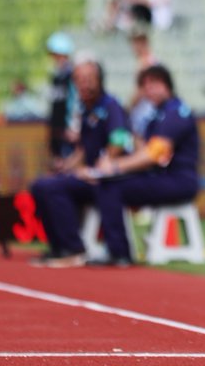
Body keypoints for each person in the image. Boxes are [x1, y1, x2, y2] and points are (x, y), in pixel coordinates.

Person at [81, 65, 199, 267]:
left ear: (166, 85)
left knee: (111, 187)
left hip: (179, 181)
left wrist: (116, 166)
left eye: (154, 84)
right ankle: (115, 248)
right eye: (144, 86)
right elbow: (141, 147)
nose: (149, 90)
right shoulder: (156, 114)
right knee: (108, 184)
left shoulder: (175, 112)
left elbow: (154, 154)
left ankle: (119, 252)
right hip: (160, 177)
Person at [29, 56, 132, 268]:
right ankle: (58, 246)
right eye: (78, 79)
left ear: (100, 80)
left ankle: (73, 248)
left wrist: (98, 169)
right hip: (90, 176)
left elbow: (119, 140)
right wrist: (66, 166)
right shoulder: (86, 111)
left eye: (88, 79)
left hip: (109, 178)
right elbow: (84, 149)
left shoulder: (111, 106)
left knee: (53, 188)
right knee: (42, 185)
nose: (83, 84)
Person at [45, 31, 78, 168]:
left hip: (68, 128)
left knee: (69, 164)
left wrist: (74, 126)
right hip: (57, 128)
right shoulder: (56, 76)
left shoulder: (72, 75)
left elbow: (76, 102)